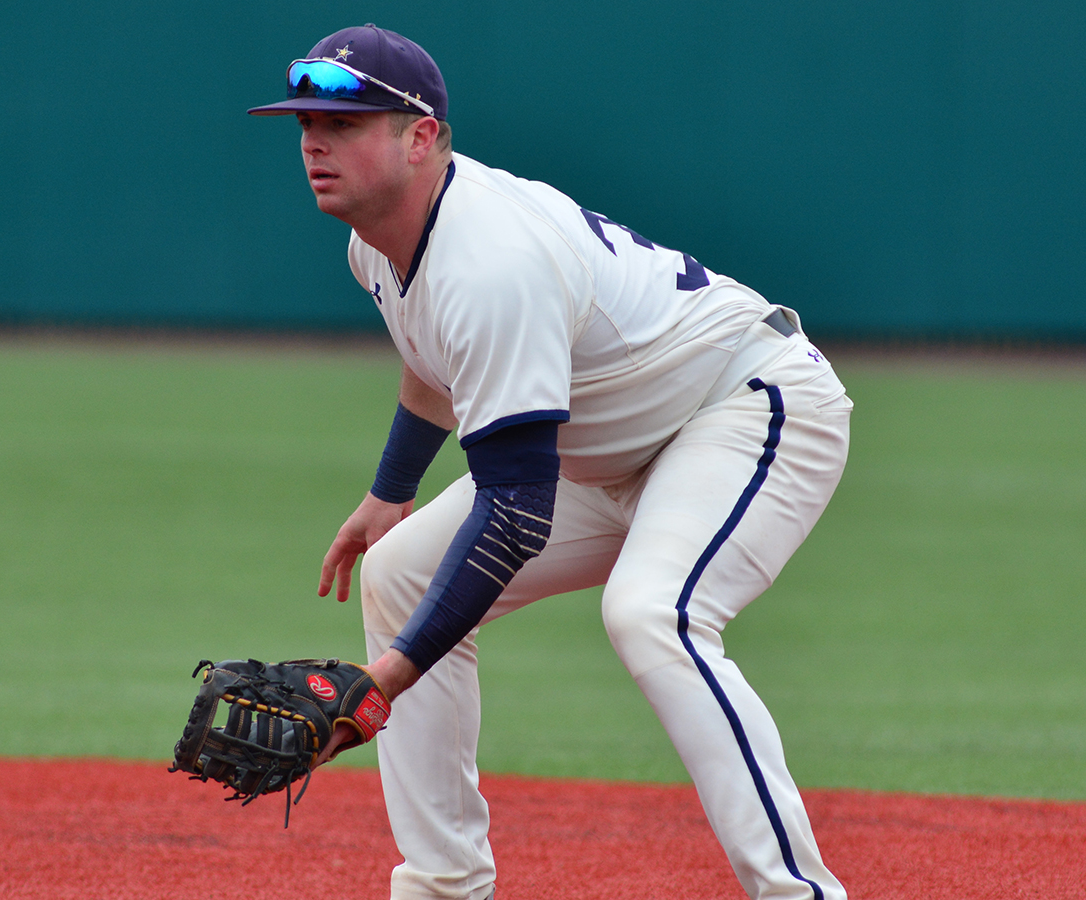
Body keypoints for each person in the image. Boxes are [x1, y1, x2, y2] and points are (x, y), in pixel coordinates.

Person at [250, 23, 852, 900]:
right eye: (305, 122)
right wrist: (391, 492)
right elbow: (434, 362)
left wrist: (383, 685)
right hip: (607, 449)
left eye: (344, 124)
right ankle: (445, 883)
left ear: (420, 137)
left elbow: (517, 513)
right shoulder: (376, 242)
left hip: (744, 408)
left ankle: (798, 892)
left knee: (655, 614)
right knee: (398, 575)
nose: (313, 141)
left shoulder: (491, 260)